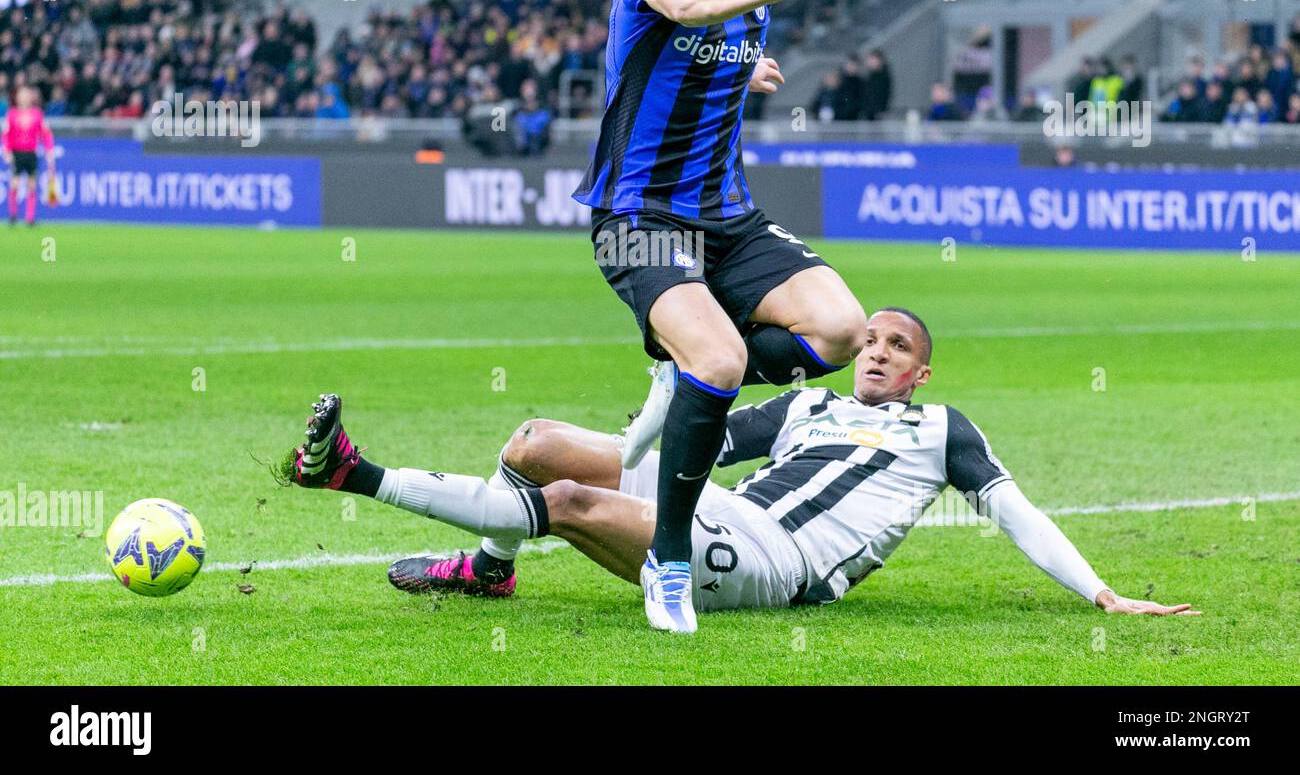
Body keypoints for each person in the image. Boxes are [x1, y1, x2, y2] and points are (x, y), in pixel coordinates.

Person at [284, 309, 1200, 621]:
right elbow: (695, 440)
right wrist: (645, 419)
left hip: (777, 566)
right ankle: (491, 570)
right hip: (712, 509)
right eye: (869, 338)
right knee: (537, 445)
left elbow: (1014, 513)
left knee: (564, 499)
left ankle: (351, 476)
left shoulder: (942, 430)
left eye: (897, 347)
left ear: (923, 371)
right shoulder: (807, 403)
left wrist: (1101, 594)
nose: (875, 351)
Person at [569, 0, 870, 631]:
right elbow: (681, 7)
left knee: (843, 330)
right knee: (722, 358)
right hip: (638, 217)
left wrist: (752, 65)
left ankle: (681, 382)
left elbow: (709, 45)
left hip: (728, 216)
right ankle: (668, 562)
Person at [2, 86, 56, 226]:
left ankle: (30, 218)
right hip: (16, 153)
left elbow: (45, 133)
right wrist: (6, 151)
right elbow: (6, 135)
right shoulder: (12, 114)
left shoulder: (37, 114)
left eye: (26, 95)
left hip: (31, 153)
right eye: (21, 95)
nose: (24, 97)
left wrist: (49, 150)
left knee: (32, 185)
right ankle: (13, 215)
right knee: (14, 184)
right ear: (17, 97)